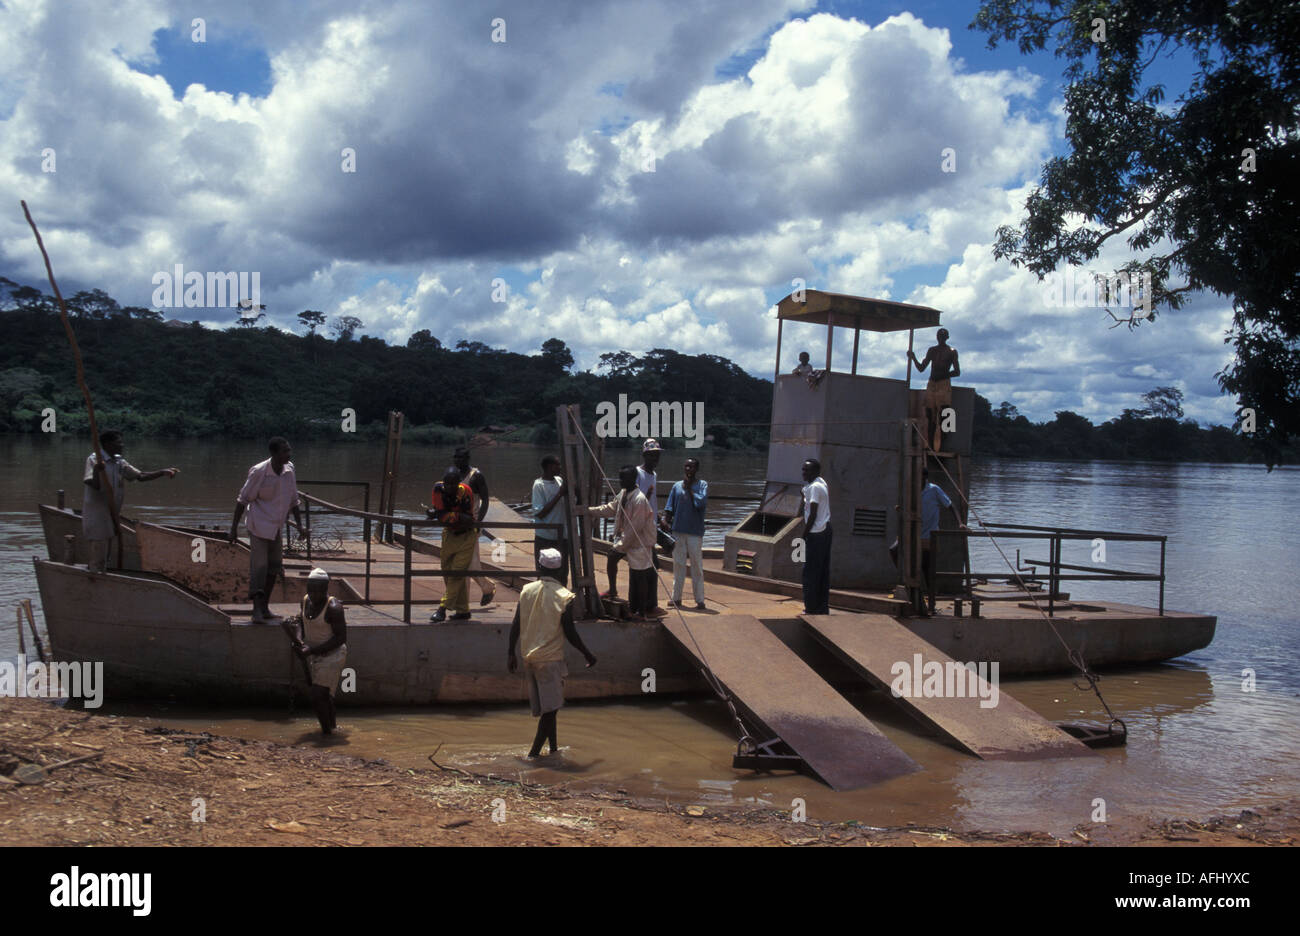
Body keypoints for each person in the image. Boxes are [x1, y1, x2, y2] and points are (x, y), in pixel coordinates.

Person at [507, 547, 597, 758]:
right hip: (550, 661)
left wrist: (510, 653)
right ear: (561, 570)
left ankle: (554, 749)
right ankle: (533, 756)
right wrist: (587, 653)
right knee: (550, 711)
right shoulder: (565, 596)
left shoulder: (527, 590)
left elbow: (516, 624)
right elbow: (570, 632)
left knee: (550, 709)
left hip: (528, 657)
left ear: (539, 567)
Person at [81, 430, 178, 573]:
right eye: (118, 442)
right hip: (98, 513)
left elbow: (140, 476)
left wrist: (162, 472)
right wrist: (97, 470)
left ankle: (100, 577)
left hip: (112, 513)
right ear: (108, 444)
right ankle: (94, 579)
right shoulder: (94, 459)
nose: (122, 445)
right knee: (99, 553)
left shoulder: (119, 461)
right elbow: (94, 485)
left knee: (106, 554)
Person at [229, 437, 302, 623]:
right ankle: (256, 611)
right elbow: (242, 500)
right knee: (259, 567)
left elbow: (294, 500)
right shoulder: (259, 472)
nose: (288, 454)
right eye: (285, 451)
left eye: (289, 450)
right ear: (275, 454)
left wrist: (300, 526)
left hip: (276, 527)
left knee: (274, 567)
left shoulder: (289, 470)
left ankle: (265, 606)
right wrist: (233, 530)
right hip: (258, 525)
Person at [587, 466, 658, 619]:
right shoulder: (623, 493)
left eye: (623, 478)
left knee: (640, 576)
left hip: (641, 543)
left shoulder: (639, 500)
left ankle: (642, 612)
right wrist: (589, 511)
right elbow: (610, 508)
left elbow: (635, 529)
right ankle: (612, 590)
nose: (620, 481)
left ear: (633, 479)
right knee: (612, 557)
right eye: (620, 478)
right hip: (629, 540)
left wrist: (620, 546)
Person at [283, 568, 347, 734]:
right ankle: (333, 728)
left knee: (317, 696)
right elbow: (300, 621)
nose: (314, 594)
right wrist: (299, 640)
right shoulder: (305, 601)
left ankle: (326, 734)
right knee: (325, 697)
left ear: (326, 589)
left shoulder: (334, 607)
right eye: (311, 589)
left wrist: (311, 650)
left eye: (319, 590)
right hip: (313, 655)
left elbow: (340, 638)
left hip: (332, 656)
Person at [604, 438, 661, 601]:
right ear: (644, 455)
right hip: (635, 527)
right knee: (644, 566)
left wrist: (658, 517)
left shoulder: (653, 474)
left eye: (657, 455)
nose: (655, 458)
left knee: (646, 567)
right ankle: (643, 605)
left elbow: (651, 501)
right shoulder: (637, 473)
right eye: (651, 455)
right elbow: (627, 497)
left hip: (648, 526)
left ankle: (643, 605)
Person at [429, 467, 477, 622]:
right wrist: (453, 516)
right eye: (447, 484)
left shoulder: (465, 491)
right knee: (448, 572)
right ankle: (463, 611)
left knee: (457, 573)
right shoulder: (437, 489)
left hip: (467, 536)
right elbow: (443, 517)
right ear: (444, 482)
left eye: (453, 484)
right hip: (449, 535)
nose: (450, 487)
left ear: (458, 484)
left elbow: (467, 519)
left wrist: (443, 514)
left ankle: (442, 609)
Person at [663, 457, 708, 609]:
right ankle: (677, 598)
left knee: (696, 565)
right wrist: (666, 522)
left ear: (697, 469)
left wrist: (689, 489)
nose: (688, 470)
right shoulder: (676, 486)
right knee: (678, 565)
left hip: (695, 532)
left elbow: (700, 504)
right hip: (678, 531)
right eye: (686, 467)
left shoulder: (702, 485)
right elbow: (669, 508)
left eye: (691, 467)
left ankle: (700, 600)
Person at [453, 447, 495, 606]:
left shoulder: (476, 476)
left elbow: (485, 500)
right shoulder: (454, 474)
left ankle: (463, 602)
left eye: (461, 457)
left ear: (468, 459)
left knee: (468, 562)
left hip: (472, 523)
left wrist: (479, 522)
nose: (458, 460)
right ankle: (486, 588)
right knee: (469, 562)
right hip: (456, 523)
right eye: (456, 457)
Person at [909, 328, 960, 452]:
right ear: (937, 337)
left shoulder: (952, 351)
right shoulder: (932, 350)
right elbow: (921, 368)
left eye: (943, 336)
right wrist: (913, 357)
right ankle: (930, 447)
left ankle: (942, 447)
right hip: (932, 384)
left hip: (944, 385)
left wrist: (943, 375)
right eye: (939, 335)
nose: (941, 338)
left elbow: (957, 372)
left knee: (944, 416)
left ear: (947, 337)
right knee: (930, 416)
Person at [531, 455, 569, 587]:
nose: (560, 467)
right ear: (548, 467)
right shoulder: (539, 485)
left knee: (562, 571)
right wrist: (559, 494)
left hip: (562, 535)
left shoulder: (559, 480)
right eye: (556, 465)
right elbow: (540, 513)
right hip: (545, 536)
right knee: (544, 572)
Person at [800, 458, 832, 614]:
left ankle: (811, 607)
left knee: (810, 572)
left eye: (807, 470)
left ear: (816, 472)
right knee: (822, 571)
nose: (804, 473)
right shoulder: (821, 483)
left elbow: (812, 514)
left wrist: (803, 536)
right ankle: (822, 607)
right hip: (825, 530)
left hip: (815, 533)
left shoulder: (814, 488)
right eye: (803, 469)